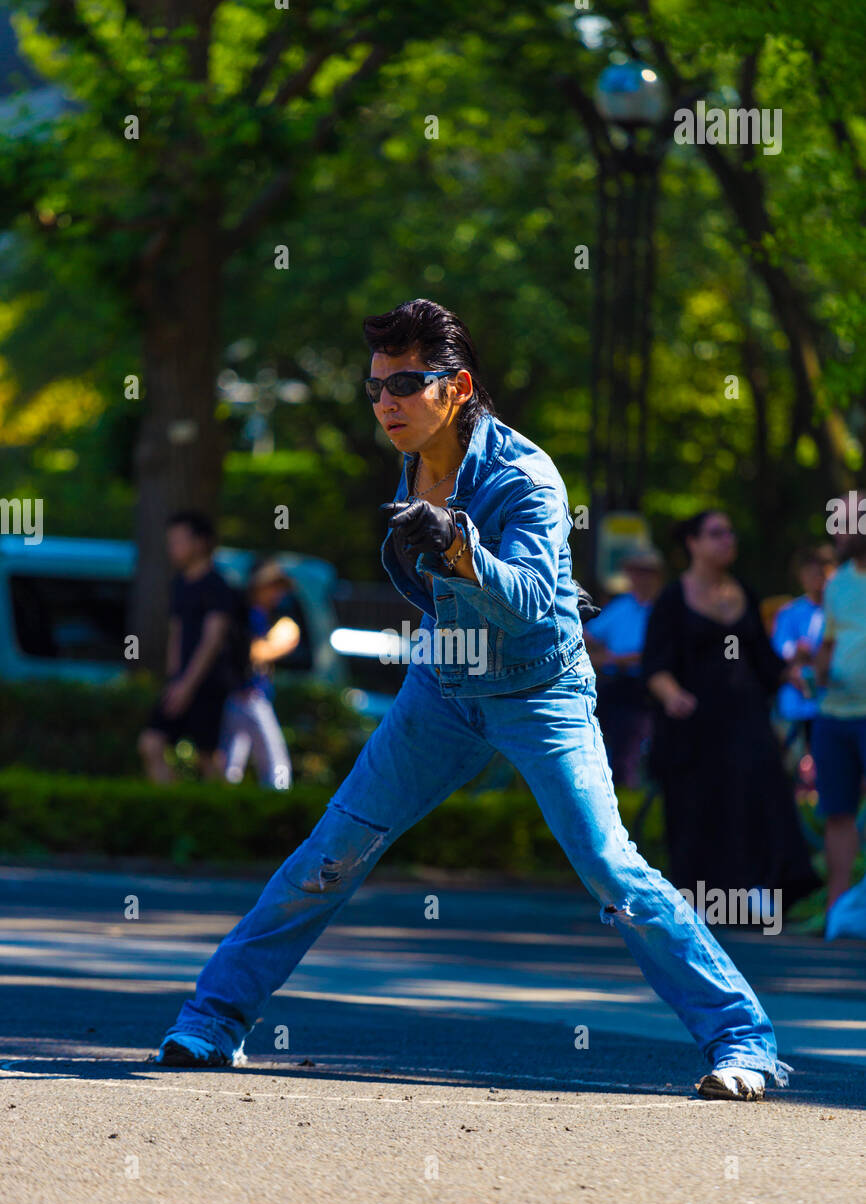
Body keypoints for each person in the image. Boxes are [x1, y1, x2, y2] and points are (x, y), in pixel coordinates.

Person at [154, 299, 792, 1102]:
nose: (386, 402)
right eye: (375, 386)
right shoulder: (414, 455)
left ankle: (744, 1040)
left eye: (405, 385)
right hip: (443, 688)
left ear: (455, 388)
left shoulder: (527, 476)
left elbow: (527, 598)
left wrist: (459, 547)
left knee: (611, 869)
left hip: (540, 692)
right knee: (329, 855)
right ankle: (213, 1020)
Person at [642, 510, 821, 923]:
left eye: (731, 532)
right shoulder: (673, 598)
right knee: (699, 808)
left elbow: (761, 657)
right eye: (717, 534)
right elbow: (655, 664)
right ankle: (705, 901)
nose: (728, 540)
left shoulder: (743, 592)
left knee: (760, 798)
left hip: (745, 719)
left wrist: (791, 675)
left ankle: (757, 894)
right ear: (694, 543)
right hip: (693, 725)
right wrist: (672, 696)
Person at [138, 511, 241, 783]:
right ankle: (172, 811)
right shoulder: (180, 584)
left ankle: (222, 817)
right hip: (181, 681)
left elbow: (212, 639)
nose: (173, 549)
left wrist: (188, 685)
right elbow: (177, 633)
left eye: (179, 541)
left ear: (200, 543)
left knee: (208, 758)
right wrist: (174, 679)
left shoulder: (217, 585)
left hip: (208, 685)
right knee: (151, 743)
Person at [812, 509, 866, 914]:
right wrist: (819, 667)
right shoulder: (838, 583)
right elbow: (830, 642)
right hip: (833, 715)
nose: (841, 529)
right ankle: (839, 911)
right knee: (838, 813)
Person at [583, 545, 664, 787]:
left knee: (628, 752)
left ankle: (629, 799)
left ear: (657, 575)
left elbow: (653, 654)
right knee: (593, 743)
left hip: (644, 689)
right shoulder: (622, 605)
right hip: (612, 685)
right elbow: (590, 635)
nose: (639, 577)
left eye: (645, 571)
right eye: (635, 571)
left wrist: (610, 659)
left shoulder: (663, 607)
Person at [219, 560, 298, 789]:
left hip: (248, 696)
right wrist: (283, 643)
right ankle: (279, 813)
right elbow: (253, 653)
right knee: (276, 768)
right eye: (273, 587)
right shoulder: (246, 614)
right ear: (259, 586)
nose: (278, 594)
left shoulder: (263, 614)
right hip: (247, 696)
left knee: (230, 767)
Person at [771, 545, 835, 742]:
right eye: (810, 573)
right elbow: (781, 650)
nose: (817, 578)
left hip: (835, 704)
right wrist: (797, 653)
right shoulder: (789, 612)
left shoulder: (840, 610)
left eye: (821, 572)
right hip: (798, 707)